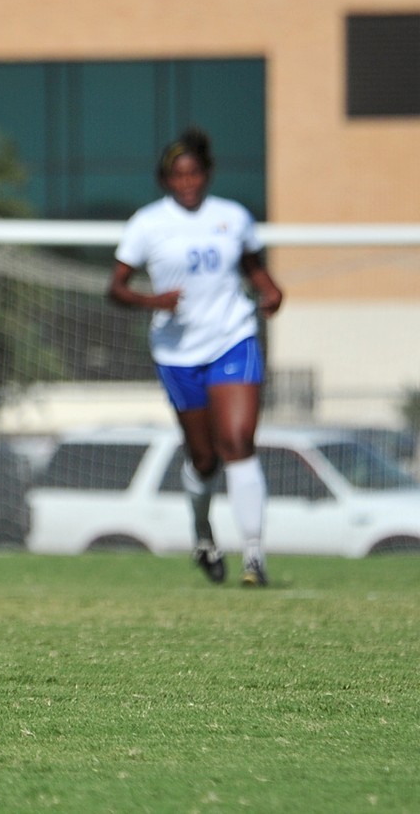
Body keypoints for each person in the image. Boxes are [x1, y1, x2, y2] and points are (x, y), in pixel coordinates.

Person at [109, 128, 283, 587]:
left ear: (207, 174)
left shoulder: (234, 217)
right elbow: (116, 287)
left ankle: (254, 556)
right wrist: (153, 302)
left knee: (239, 440)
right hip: (177, 351)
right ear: (166, 179)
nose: (187, 183)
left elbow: (253, 268)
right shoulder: (147, 223)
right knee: (204, 459)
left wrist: (270, 292)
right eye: (177, 175)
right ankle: (203, 534)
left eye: (194, 174)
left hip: (233, 336)